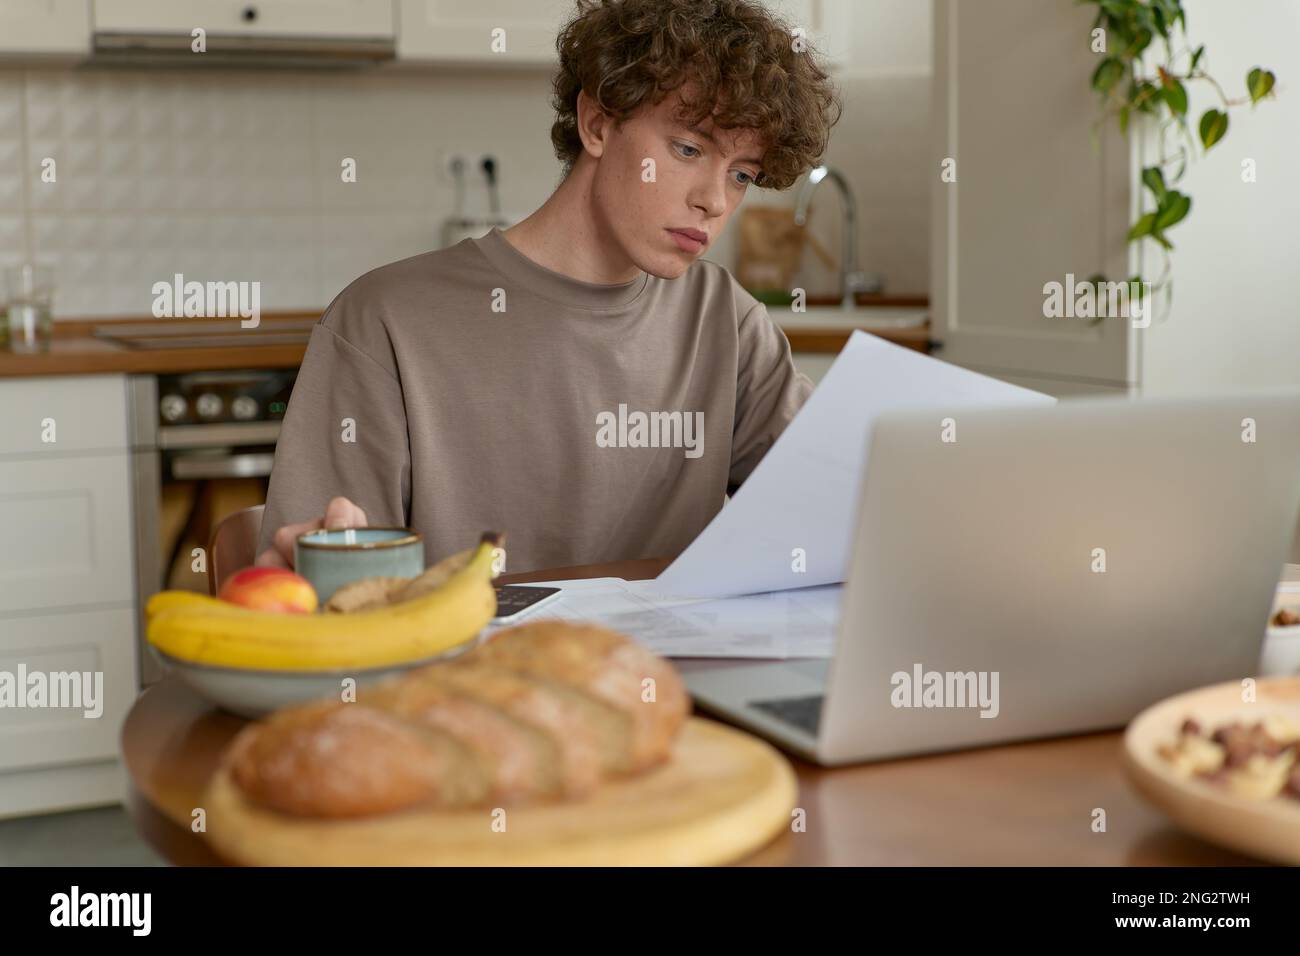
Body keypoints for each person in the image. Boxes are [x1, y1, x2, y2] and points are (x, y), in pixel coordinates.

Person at [256, 0, 841, 574]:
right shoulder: (383, 320)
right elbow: (323, 584)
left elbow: (837, 503)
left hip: (663, 672)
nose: (714, 200)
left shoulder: (723, 320)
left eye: (741, 175)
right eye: (688, 149)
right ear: (597, 124)